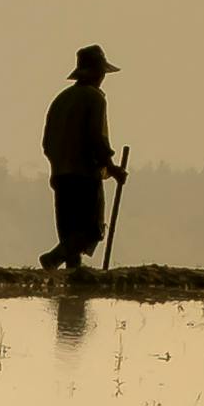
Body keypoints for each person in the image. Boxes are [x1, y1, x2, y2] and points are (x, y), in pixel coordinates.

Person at [41, 46, 128, 275]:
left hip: (60, 175)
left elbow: (47, 143)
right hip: (84, 175)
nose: (102, 78)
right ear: (95, 73)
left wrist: (59, 165)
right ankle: (52, 259)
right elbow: (96, 138)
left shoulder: (61, 99)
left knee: (70, 233)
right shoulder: (94, 98)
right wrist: (111, 168)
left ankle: (74, 291)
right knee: (91, 230)